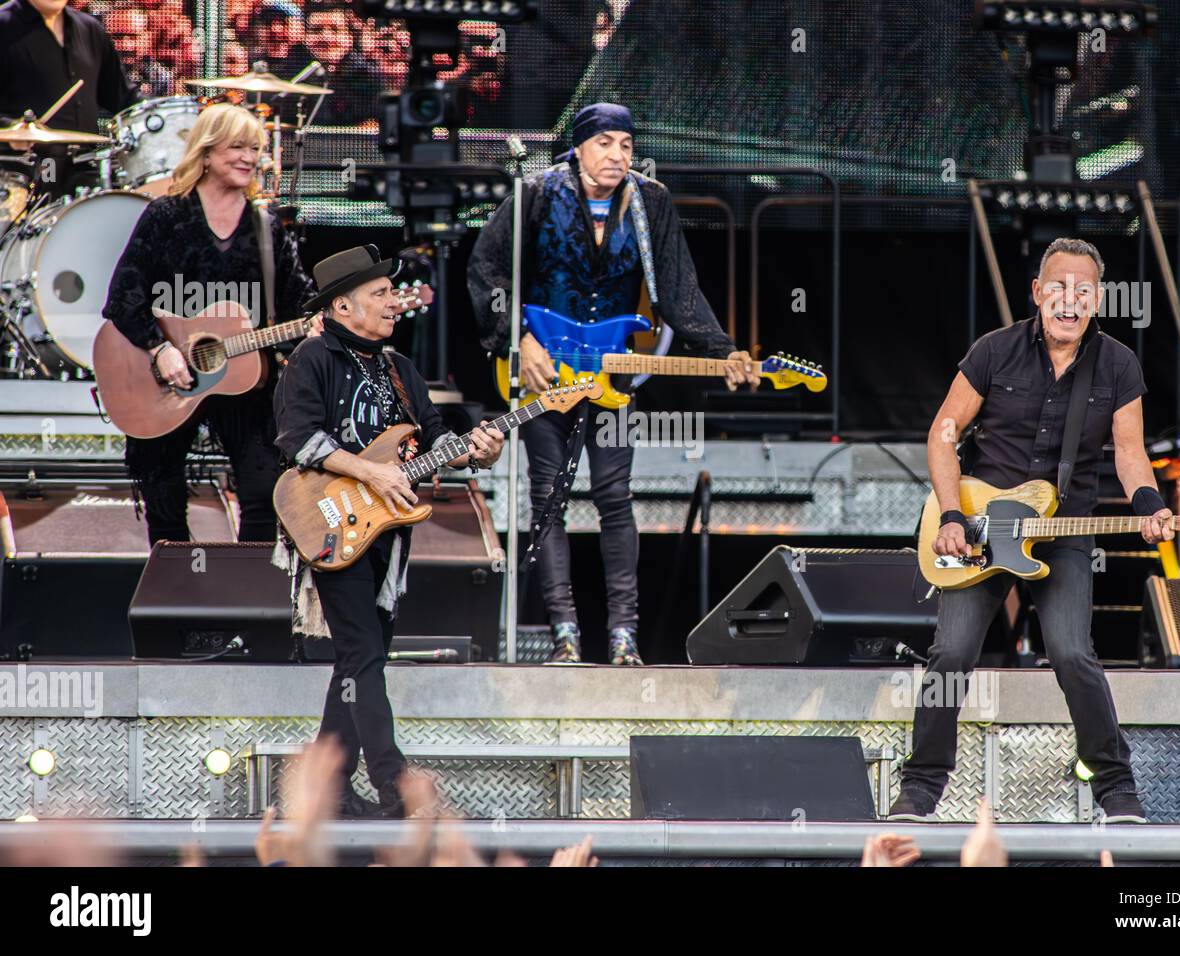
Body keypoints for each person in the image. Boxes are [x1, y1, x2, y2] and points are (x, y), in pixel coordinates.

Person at [888, 237, 1171, 825]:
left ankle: (1117, 793)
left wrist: (1149, 503)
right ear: (1038, 294)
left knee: (1072, 653)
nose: (1071, 301)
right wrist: (950, 515)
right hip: (980, 526)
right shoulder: (994, 351)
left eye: (1084, 291)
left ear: (1098, 298)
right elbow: (943, 434)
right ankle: (918, 791)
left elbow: (1129, 452)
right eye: (1060, 288)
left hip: (1063, 529)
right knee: (951, 653)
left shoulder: (1118, 364)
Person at [467, 102, 759, 665]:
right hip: (543, 372)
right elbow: (487, 272)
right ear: (578, 147)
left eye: (626, 145)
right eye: (605, 143)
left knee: (614, 497)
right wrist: (516, 340)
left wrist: (721, 351)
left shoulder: (651, 203)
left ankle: (624, 633)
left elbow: (678, 288)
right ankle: (564, 634)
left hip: (611, 375)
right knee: (548, 498)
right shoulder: (535, 193)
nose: (617, 156)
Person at [273, 245, 505, 817]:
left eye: (392, 293)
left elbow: (432, 441)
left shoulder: (400, 370)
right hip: (331, 521)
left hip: (387, 533)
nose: (393, 302)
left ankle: (324, 785)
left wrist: (476, 451)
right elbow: (297, 438)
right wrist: (370, 469)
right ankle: (394, 783)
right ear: (343, 305)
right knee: (364, 654)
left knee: (359, 657)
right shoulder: (312, 358)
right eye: (380, 294)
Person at [103, 103, 315, 544]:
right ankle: (178, 595)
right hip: (165, 377)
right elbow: (124, 296)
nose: (249, 157)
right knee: (163, 492)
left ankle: (247, 598)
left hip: (246, 382)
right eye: (237, 146)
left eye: (255, 148)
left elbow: (299, 302)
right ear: (206, 151)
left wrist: (319, 325)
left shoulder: (266, 224)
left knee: (264, 494)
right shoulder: (166, 216)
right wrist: (159, 350)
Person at [0, 0, 138, 193]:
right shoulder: (4, 26)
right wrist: (10, 127)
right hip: (21, 174)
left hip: (85, 169)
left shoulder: (90, 29)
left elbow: (124, 100)